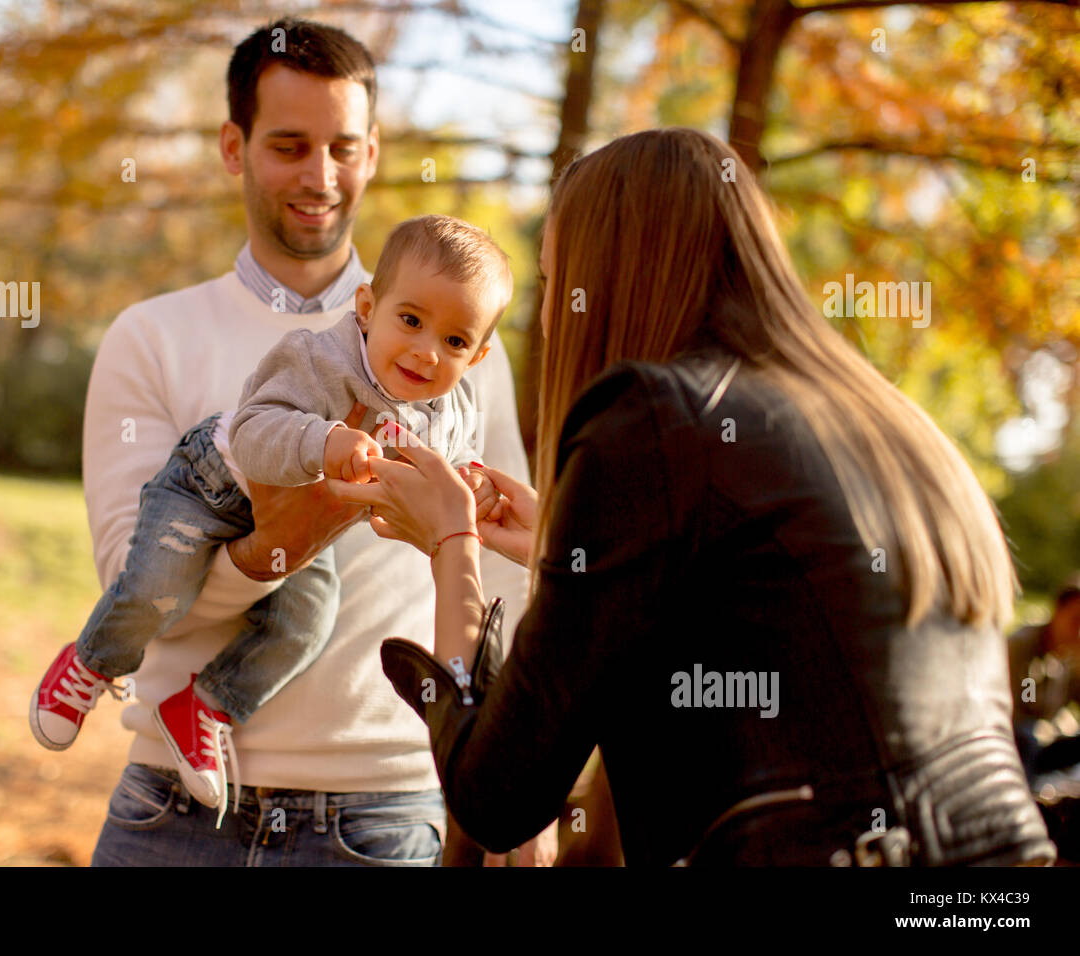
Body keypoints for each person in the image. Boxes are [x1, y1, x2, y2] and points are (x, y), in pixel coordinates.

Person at [335, 127, 1057, 866]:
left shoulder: (647, 416)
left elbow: (498, 796)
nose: (550, 319)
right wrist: (565, 543)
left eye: (556, 283)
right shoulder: (888, 424)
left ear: (605, 280)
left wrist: (452, 542)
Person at [77, 18, 541, 866]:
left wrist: (525, 783)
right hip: (169, 812)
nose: (321, 176)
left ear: (372, 154)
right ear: (233, 145)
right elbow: (130, 585)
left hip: (383, 814)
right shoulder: (149, 337)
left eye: (344, 147)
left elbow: (501, 563)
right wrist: (279, 542)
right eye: (290, 145)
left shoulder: (465, 347)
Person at [30, 215, 510, 827]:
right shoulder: (320, 355)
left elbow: (457, 463)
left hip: (307, 525)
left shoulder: (453, 403)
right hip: (212, 487)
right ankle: (92, 660)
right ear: (367, 306)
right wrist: (325, 439)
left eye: (455, 342)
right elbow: (257, 432)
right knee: (157, 587)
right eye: (411, 321)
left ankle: (203, 707)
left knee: (305, 622)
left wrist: (472, 484)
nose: (426, 351)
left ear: (480, 354)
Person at [1009, 576, 1080, 782]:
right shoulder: (1024, 647)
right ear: (1058, 611)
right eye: (1075, 621)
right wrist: (1058, 727)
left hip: (1047, 740)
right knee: (1028, 736)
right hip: (1019, 743)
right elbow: (1027, 703)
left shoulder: (1069, 654)